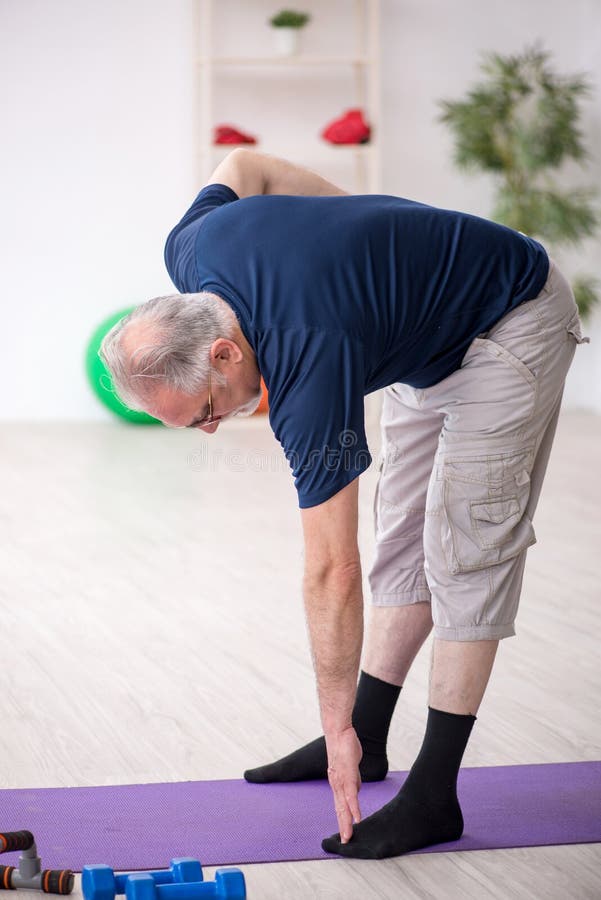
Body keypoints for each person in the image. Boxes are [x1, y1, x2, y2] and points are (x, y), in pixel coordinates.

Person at [100, 149, 588, 859]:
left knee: (465, 547)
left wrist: (331, 736)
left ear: (225, 355)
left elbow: (331, 570)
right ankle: (371, 731)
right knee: (401, 538)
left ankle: (433, 795)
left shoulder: (306, 366)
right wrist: (367, 235)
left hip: (508, 320)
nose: (210, 429)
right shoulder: (194, 247)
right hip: (424, 337)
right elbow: (246, 164)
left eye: (204, 411)